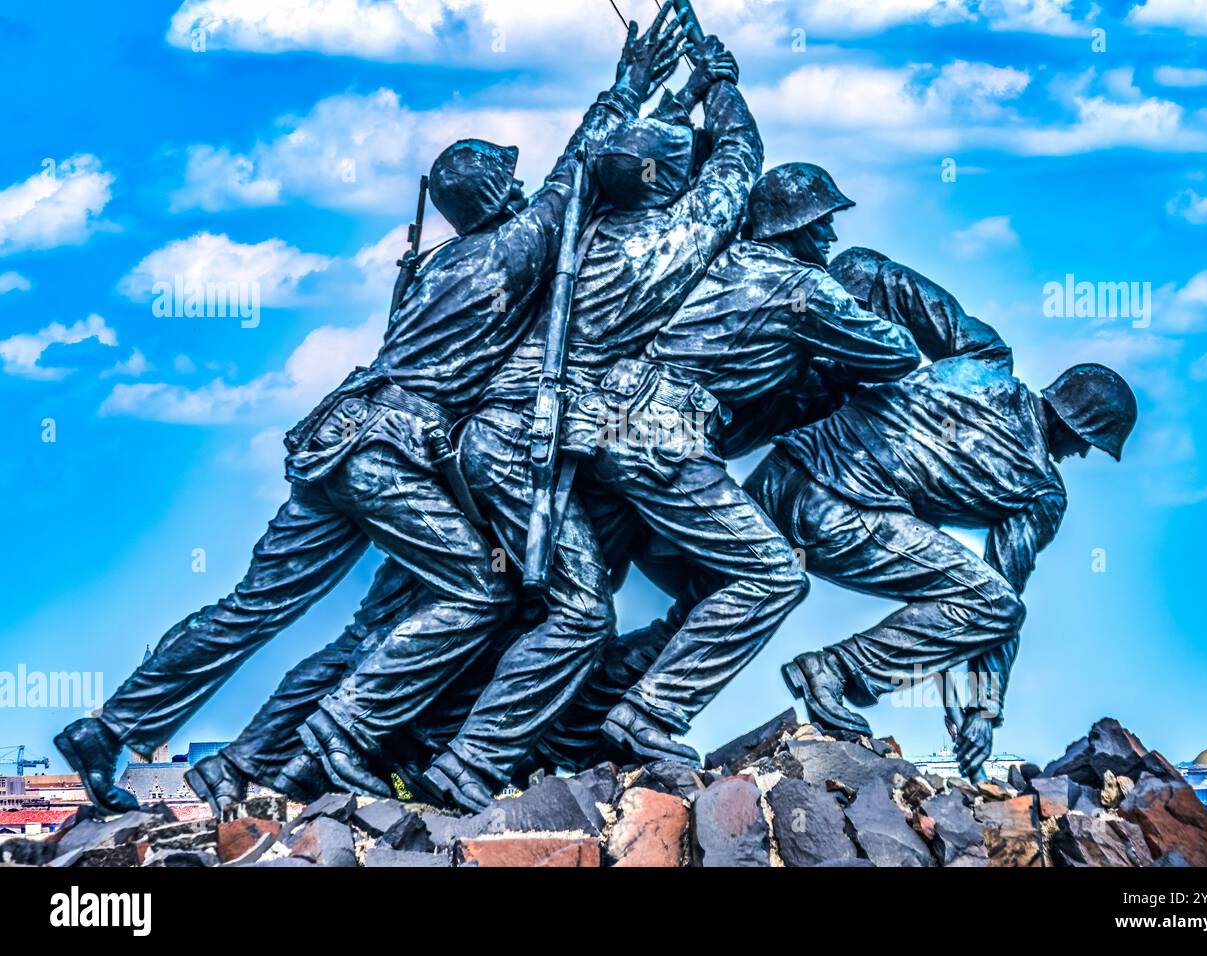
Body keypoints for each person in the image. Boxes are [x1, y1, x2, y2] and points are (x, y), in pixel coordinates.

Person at [56, 12, 685, 814]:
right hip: (388, 449)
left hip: (335, 440)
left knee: (254, 606)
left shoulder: (437, 267)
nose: (527, 189)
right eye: (512, 182)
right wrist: (633, 80)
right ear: (498, 195)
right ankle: (342, 735)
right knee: (476, 592)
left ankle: (113, 726)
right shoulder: (507, 249)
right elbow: (577, 173)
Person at [313, 33, 762, 813]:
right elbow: (738, 163)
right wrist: (718, 83)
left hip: (481, 440)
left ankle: (424, 745)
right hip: (529, 441)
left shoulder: (562, 231)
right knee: (579, 611)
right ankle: (447, 756)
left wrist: (650, 91)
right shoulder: (663, 245)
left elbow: (591, 160)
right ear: (666, 184)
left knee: (514, 599)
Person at [560, 166, 920, 766]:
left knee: (701, 587)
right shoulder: (803, 288)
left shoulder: (717, 261)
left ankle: (577, 720)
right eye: (822, 221)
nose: (830, 234)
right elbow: (895, 353)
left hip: (608, 426)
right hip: (663, 438)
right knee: (771, 578)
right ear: (794, 225)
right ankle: (648, 713)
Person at [756, 247, 1138, 778]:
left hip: (778, 473)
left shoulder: (983, 355)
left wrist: (828, 294)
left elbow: (879, 275)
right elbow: (998, 604)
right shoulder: (1042, 491)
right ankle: (834, 669)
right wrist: (983, 709)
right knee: (997, 605)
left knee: (702, 597)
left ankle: (629, 704)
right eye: (1092, 444)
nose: (1085, 454)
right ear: (1083, 430)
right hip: (836, 516)